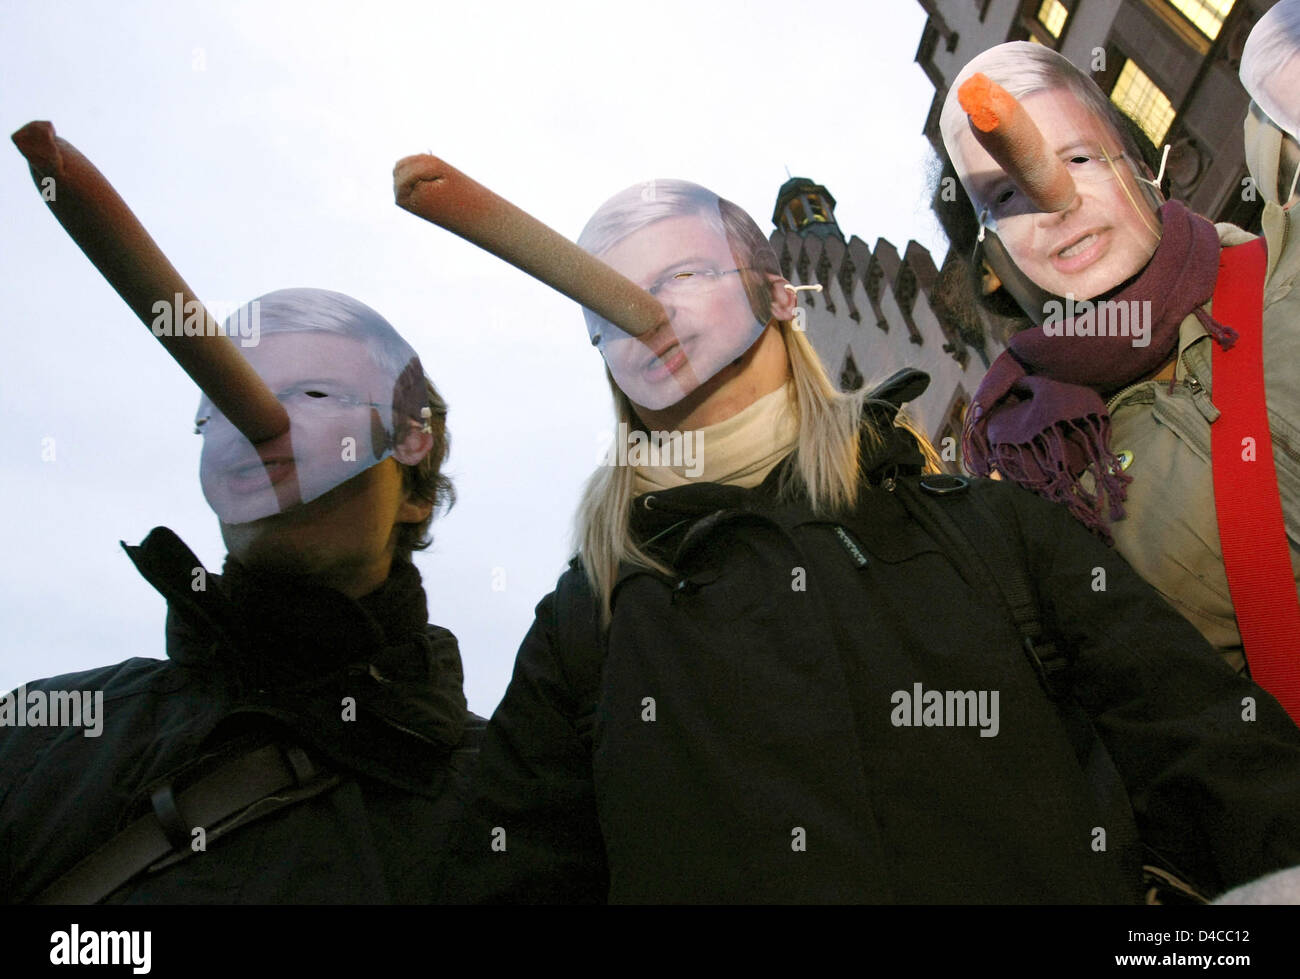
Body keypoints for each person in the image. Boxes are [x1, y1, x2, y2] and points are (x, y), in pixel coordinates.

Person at [440, 180, 1300, 904]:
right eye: (615, 298)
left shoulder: (990, 526)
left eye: (688, 272)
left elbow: (1218, 760)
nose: (655, 310)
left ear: (780, 295)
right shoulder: (584, 629)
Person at [0, 288, 481, 904]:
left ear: (415, 492)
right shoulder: (43, 735)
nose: (264, 427)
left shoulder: (506, 798)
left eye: (316, 396)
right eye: (228, 406)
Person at [937, 41, 1300, 684]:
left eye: (1079, 157)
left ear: (1141, 167)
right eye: (1008, 195)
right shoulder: (1043, 499)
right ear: (991, 268)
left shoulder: (1288, 267)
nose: (1057, 200)